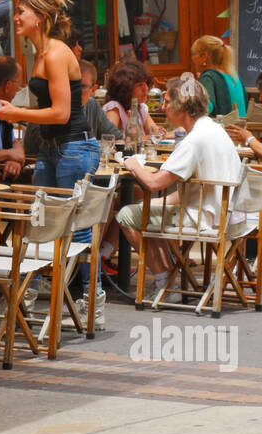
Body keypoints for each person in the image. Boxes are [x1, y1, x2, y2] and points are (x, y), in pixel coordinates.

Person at [0, 0, 100, 301]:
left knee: (76, 227)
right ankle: (32, 293)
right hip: (54, 148)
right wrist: (15, 116)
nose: (14, 17)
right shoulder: (39, 53)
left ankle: (90, 300)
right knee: (39, 223)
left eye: (20, 11)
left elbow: (62, 112)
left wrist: (14, 113)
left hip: (74, 148)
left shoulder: (54, 53)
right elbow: (48, 110)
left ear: (40, 17)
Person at [116, 74, 243, 300]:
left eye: (166, 102)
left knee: (127, 214)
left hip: (203, 218)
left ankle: (164, 281)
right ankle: (167, 278)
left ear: (182, 106)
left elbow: (154, 182)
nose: (163, 107)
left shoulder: (194, 140)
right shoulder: (215, 130)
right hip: (226, 215)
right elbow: (199, 186)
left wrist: (132, 164)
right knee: (146, 209)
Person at [103, 58, 162, 141]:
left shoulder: (140, 107)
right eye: (140, 85)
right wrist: (142, 139)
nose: (146, 88)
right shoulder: (114, 107)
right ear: (126, 88)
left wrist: (172, 132)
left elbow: (155, 133)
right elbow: (109, 137)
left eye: (146, 83)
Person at [190, 35, 246, 118]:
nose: (192, 58)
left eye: (194, 54)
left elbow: (203, 108)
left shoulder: (208, 77)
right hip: (240, 128)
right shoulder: (234, 77)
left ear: (204, 56)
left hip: (223, 129)